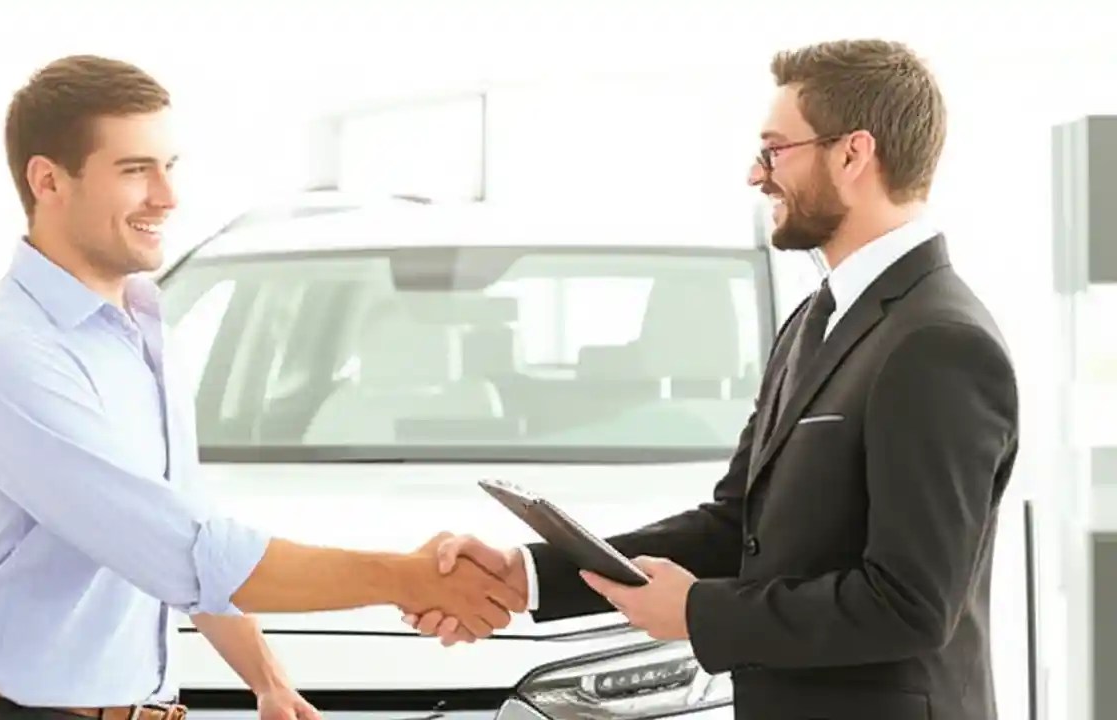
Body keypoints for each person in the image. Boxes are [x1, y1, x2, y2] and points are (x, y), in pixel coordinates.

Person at [406, 38, 1019, 720]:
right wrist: (527, 574)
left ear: (853, 154)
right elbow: (737, 529)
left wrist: (700, 611)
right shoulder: (818, 318)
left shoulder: (939, 343)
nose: (757, 175)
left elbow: (910, 603)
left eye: (775, 149)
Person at [0, 55, 524, 720]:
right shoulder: (12, 359)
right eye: (134, 170)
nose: (167, 196)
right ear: (49, 181)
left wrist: (267, 680)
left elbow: (186, 524)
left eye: (169, 166)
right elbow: (185, 553)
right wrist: (405, 577)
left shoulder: (139, 325)